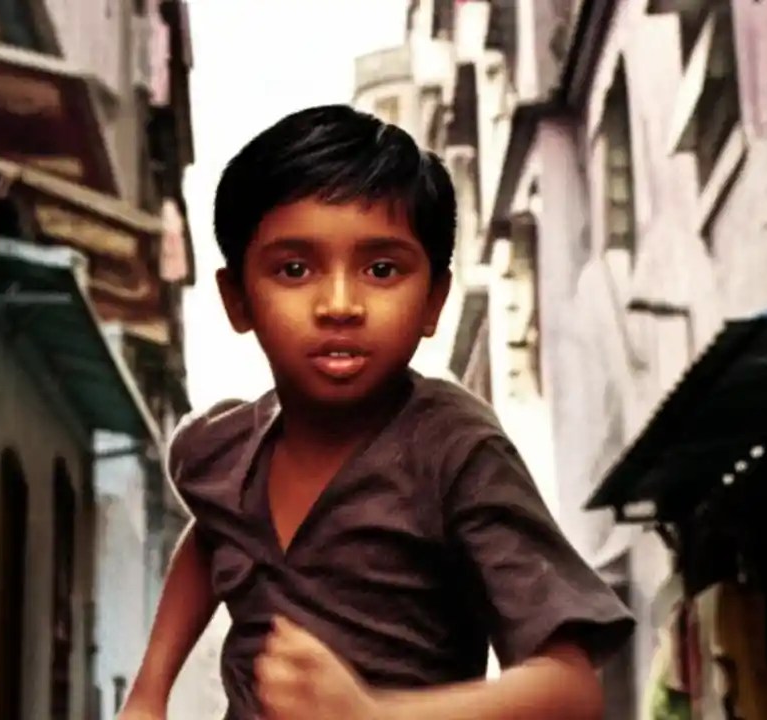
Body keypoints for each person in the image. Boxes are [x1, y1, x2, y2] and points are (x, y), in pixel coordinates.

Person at [118, 105, 634, 720]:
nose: (340, 304)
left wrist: (371, 714)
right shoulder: (224, 450)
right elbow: (211, 538)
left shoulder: (455, 451)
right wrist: (149, 692)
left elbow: (571, 691)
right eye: (295, 269)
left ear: (433, 301)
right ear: (237, 300)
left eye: (381, 269)